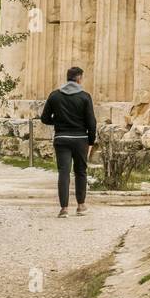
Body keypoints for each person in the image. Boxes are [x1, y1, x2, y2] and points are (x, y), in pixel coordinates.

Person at [39, 67, 97, 217]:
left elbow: (44, 118)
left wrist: (58, 122)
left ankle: (64, 209)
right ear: (79, 79)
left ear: (67, 78)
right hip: (80, 139)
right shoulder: (85, 97)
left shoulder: (55, 96)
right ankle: (81, 205)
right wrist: (91, 140)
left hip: (61, 138)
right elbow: (91, 122)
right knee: (81, 172)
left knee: (63, 172)